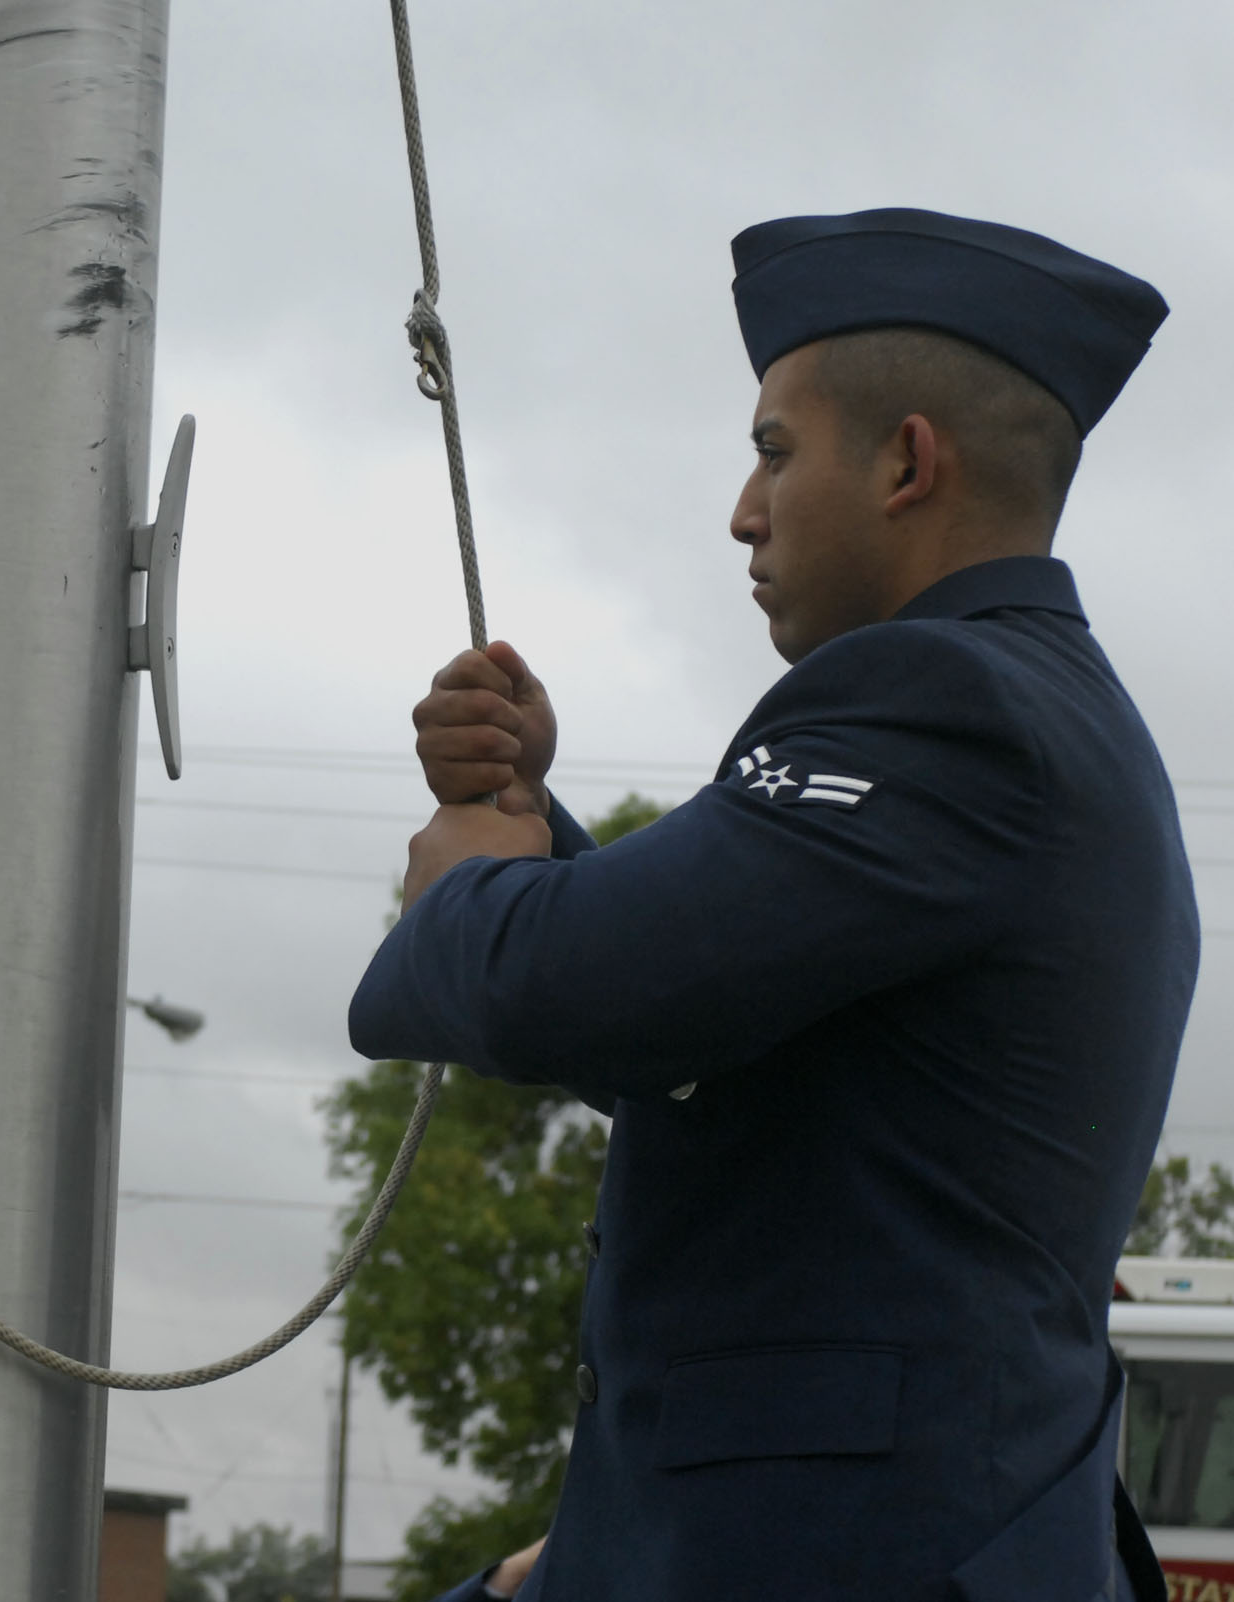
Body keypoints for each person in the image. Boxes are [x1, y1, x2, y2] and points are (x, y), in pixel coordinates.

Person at [359, 209, 1191, 1602]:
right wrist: (537, 824)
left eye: (772, 451)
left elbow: (577, 988)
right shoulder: (1051, 723)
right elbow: (738, 1034)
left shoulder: (946, 702)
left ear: (908, 463)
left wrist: (471, 879)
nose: (744, 510)